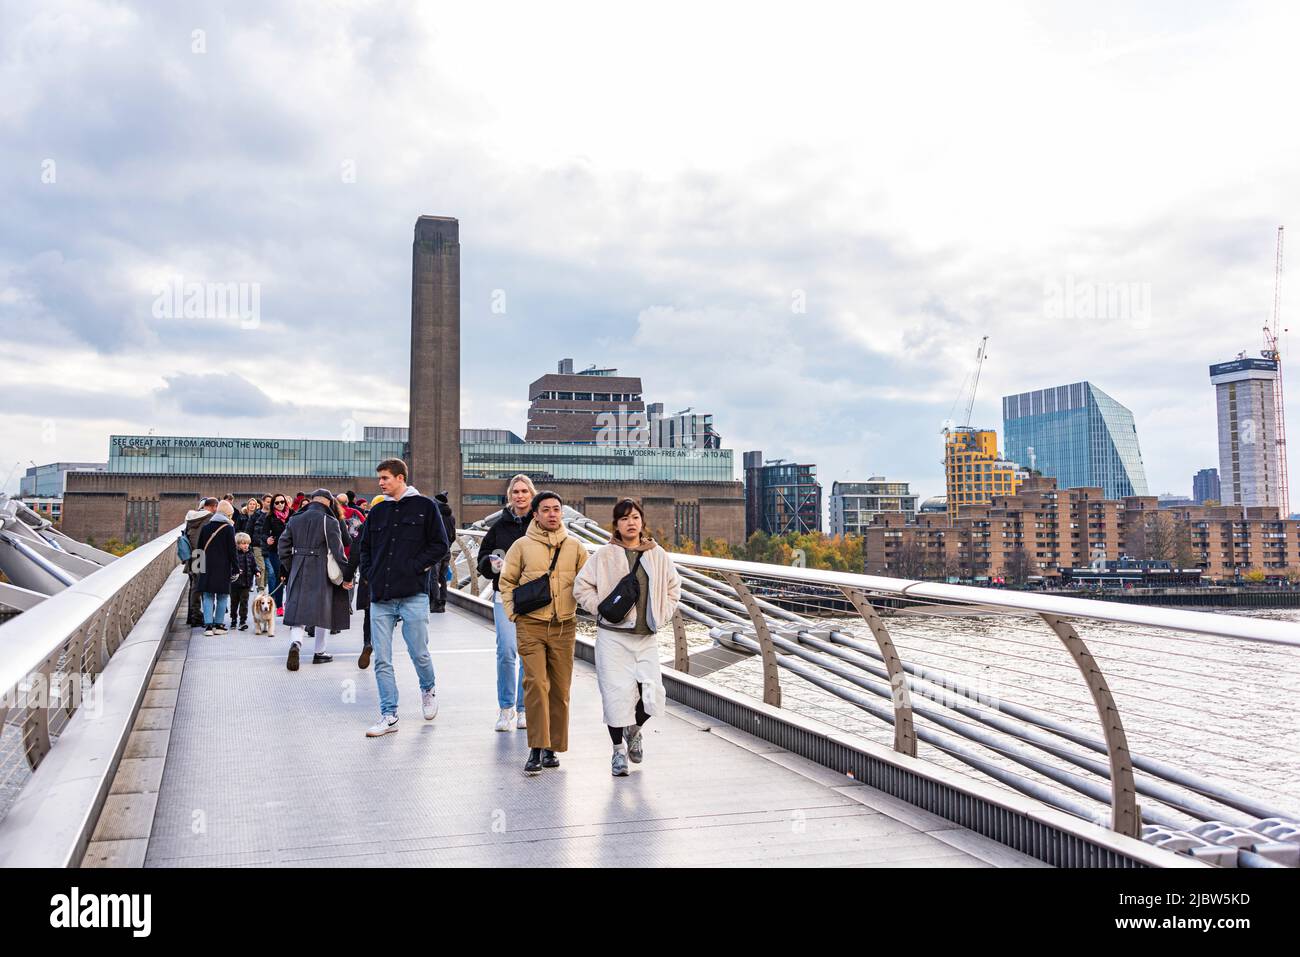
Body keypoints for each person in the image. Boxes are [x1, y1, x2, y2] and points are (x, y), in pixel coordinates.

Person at [574, 498, 681, 776]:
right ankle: (618, 752)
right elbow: (581, 587)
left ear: (642, 521)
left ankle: (634, 730)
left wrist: (662, 613)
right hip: (613, 637)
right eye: (624, 519)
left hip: (646, 637)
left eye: (634, 517)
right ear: (616, 525)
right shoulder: (604, 555)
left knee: (652, 693)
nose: (630, 523)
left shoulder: (657, 554)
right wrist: (600, 608)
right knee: (616, 695)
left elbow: (674, 588)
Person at [499, 490, 588, 775]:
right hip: (531, 625)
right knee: (536, 684)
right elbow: (507, 582)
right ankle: (536, 747)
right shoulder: (521, 546)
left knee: (560, 689)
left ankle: (552, 747)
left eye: (556, 509)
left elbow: (588, 583)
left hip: (564, 626)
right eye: (546, 509)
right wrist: (514, 614)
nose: (552, 514)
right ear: (535, 515)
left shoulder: (575, 547)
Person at [358, 459, 448, 737]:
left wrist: (415, 567)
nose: (380, 483)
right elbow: (365, 548)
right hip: (381, 595)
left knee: (418, 651)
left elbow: (440, 545)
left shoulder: (425, 507)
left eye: (385, 478)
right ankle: (389, 714)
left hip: (413, 594)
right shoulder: (378, 511)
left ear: (400, 478)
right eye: (379, 478)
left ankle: (428, 688)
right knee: (382, 658)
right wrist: (370, 574)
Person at [476, 473, 536, 732]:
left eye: (524, 491)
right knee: (506, 651)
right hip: (505, 597)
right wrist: (491, 564)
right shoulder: (499, 527)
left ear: (531, 494)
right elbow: (482, 560)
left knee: (528, 654)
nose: (520, 496)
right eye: (516, 492)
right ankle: (505, 708)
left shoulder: (540, 524)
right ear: (510, 496)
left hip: (534, 598)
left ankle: (524, 709)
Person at [278, 488, 353, 670]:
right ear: (328, 502)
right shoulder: (330, 521)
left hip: (298, 567)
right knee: (323, 612)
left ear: (313, 500)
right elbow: (338, 552)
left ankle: (296, 643)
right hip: (321, 570)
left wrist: (291, 566)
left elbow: (282, 546)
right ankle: (320, 653)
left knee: (298, 610)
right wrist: (347, 575)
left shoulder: (295, 519)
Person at [343, 493, 382, 670]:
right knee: (387, 614)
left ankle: (367, 642)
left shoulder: (366, 526)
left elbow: (355, 553)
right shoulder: (394, 525)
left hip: (368, 577)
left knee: (369, 613)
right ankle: (381, 646)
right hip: (388, 578)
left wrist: (348, 576)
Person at [196, 500, 239, 636]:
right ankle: (219, 625)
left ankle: (208, 626)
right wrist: (236, 568)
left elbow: (199, 548)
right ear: (228, 514)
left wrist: (197, 567)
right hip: (223, 567)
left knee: (207, 595)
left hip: (207, 566)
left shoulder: (206, 528)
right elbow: (232, 551)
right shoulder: (228, 528)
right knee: (222, 596)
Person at [183, 497, 218, 627]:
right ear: (213, 507)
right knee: (205, 586)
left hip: (193, 554)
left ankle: (193, 616)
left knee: (195, 587)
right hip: (203, 554)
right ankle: (201, 616)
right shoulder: (209, 518)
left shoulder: (191, 518)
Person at [429, 491, 457, 613]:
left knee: (433, 577)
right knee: (442, 577)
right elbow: (453, 536)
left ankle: (435, 603)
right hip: (446, 551)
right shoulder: (451, 517)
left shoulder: (434, 515)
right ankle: (443, 602)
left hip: (436, 552)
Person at [264, 493, 291, 615]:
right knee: (279, 577)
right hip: (275, 551)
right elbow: (263, 533)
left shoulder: (292, 514)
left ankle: (289, 603)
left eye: (282, 502)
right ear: (273, 504)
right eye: (277, 502)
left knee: (290, 577)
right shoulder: (270, 517)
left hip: (291, 550)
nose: (280, 504)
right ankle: (279, 605)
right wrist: (267, 539)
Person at [230, 531, 260, 631]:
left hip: (246, 583)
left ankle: (243, 621)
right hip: (235, 583)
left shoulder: (250, 554)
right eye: (243, 543)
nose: (246, 545)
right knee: (234, 603)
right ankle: (233, 619)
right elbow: (229, 567)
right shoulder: (234, 554)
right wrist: (235, 570)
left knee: (244, 603)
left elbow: (254, 565)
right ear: (237, 544)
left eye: (247, 543)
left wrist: (257, 571)